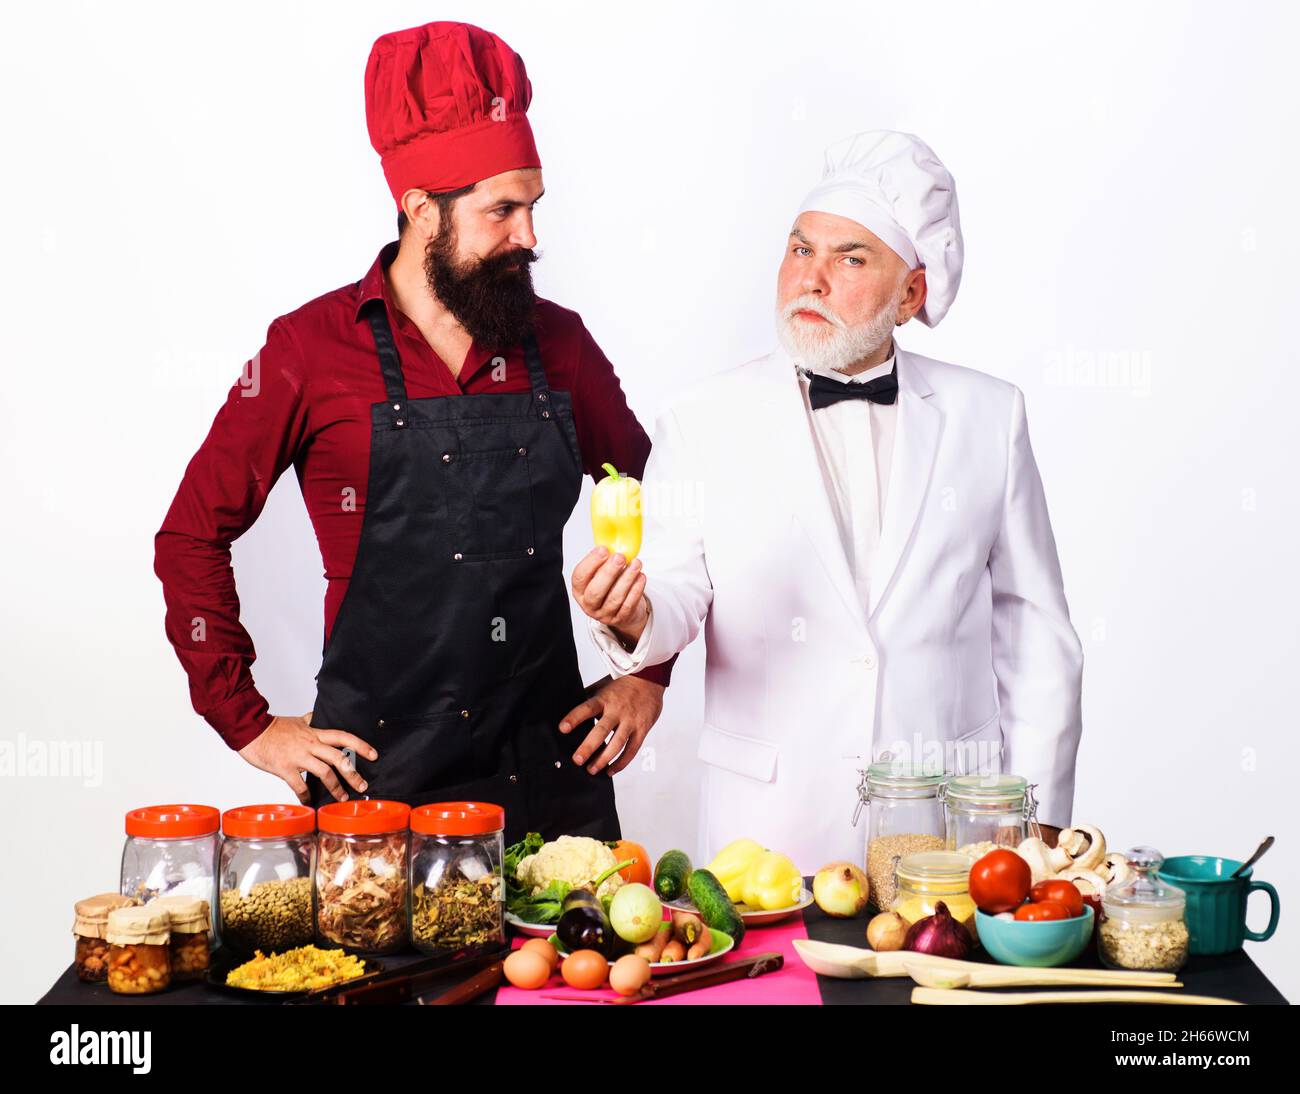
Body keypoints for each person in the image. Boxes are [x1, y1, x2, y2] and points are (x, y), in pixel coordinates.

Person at [154, 21, 669, 844]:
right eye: (503, 211)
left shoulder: (561, 345)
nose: (530, 238)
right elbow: (189, 534)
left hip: (550, 779)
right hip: (373, 790)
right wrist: (245, 720)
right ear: (421, 209)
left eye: (533, 209)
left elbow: (665, 499)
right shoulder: (308, 350)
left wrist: (649, 672)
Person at [572, 131, 1084, 870]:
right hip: (769, 834)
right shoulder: (700, 416)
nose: (810, 279)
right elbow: (677, 587)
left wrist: (1036, 816)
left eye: (850, 258)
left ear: (911, 292)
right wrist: (633, 616)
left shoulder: (990, 416)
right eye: (800, 249)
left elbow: (1037, 631)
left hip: (950, 830)